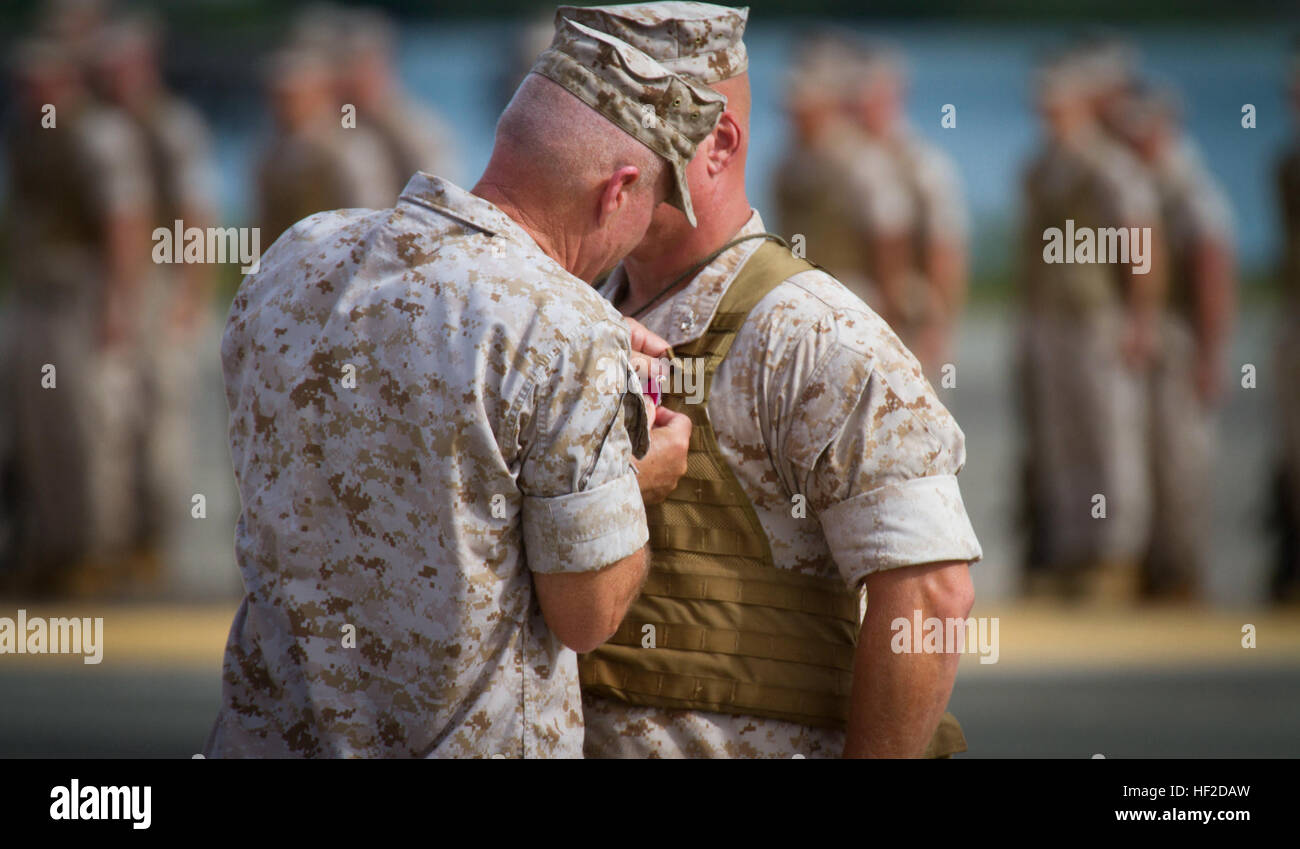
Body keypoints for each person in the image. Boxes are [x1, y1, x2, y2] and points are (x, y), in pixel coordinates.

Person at [203, 18, 723, 757]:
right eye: (655, 208)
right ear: (619, 190)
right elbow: (588, 612)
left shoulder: (299, 253)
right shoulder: (568, 329)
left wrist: (584, 366)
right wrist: (633, 483)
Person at [563, 2, 982, 759]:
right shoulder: (577, 319)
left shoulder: (814, 334)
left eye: (633, 132)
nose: (600, 159)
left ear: (719, 144)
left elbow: (929, 594)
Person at [2, 37, 152, 595]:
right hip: (34, 292)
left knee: (85, 425)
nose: (28, 93)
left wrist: (120, 304)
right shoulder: (26, 134)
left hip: (77, 294)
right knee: (32, 426)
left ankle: (94, 547)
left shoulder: (97, 136)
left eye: (39, 83)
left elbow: (125, 222)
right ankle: (47, 545)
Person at [1016, 48, 1164, 602]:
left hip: (1099, 318)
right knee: (1061, 439)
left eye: (1058, 104)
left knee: (1110, 438)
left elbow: (1140, 245)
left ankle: (1118, 556)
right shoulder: (1040, 169)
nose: (1047, 113)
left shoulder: (1109, 167)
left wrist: (1140, 318)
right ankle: (1074, 551)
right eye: (1043, 104)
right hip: (1052, 319)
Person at [91, 16, 219, 581]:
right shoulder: (98, 126)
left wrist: (190, 297)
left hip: (161, 285)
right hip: (112, 287)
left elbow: (197, 212)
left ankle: (156, 544)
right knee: (107, 418)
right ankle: (112, 540)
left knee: (160, 419)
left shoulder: (172, 126)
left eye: (124, 65)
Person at [1115, 84, 1236, 601]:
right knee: (1141, 463)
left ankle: (1183, 574)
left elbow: (1211, 275)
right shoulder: (1142, 183)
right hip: (1149, 340)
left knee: (1179, 462)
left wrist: (1210, 356)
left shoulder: (1191, 190)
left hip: (1180, 340)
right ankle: (1153, 571)